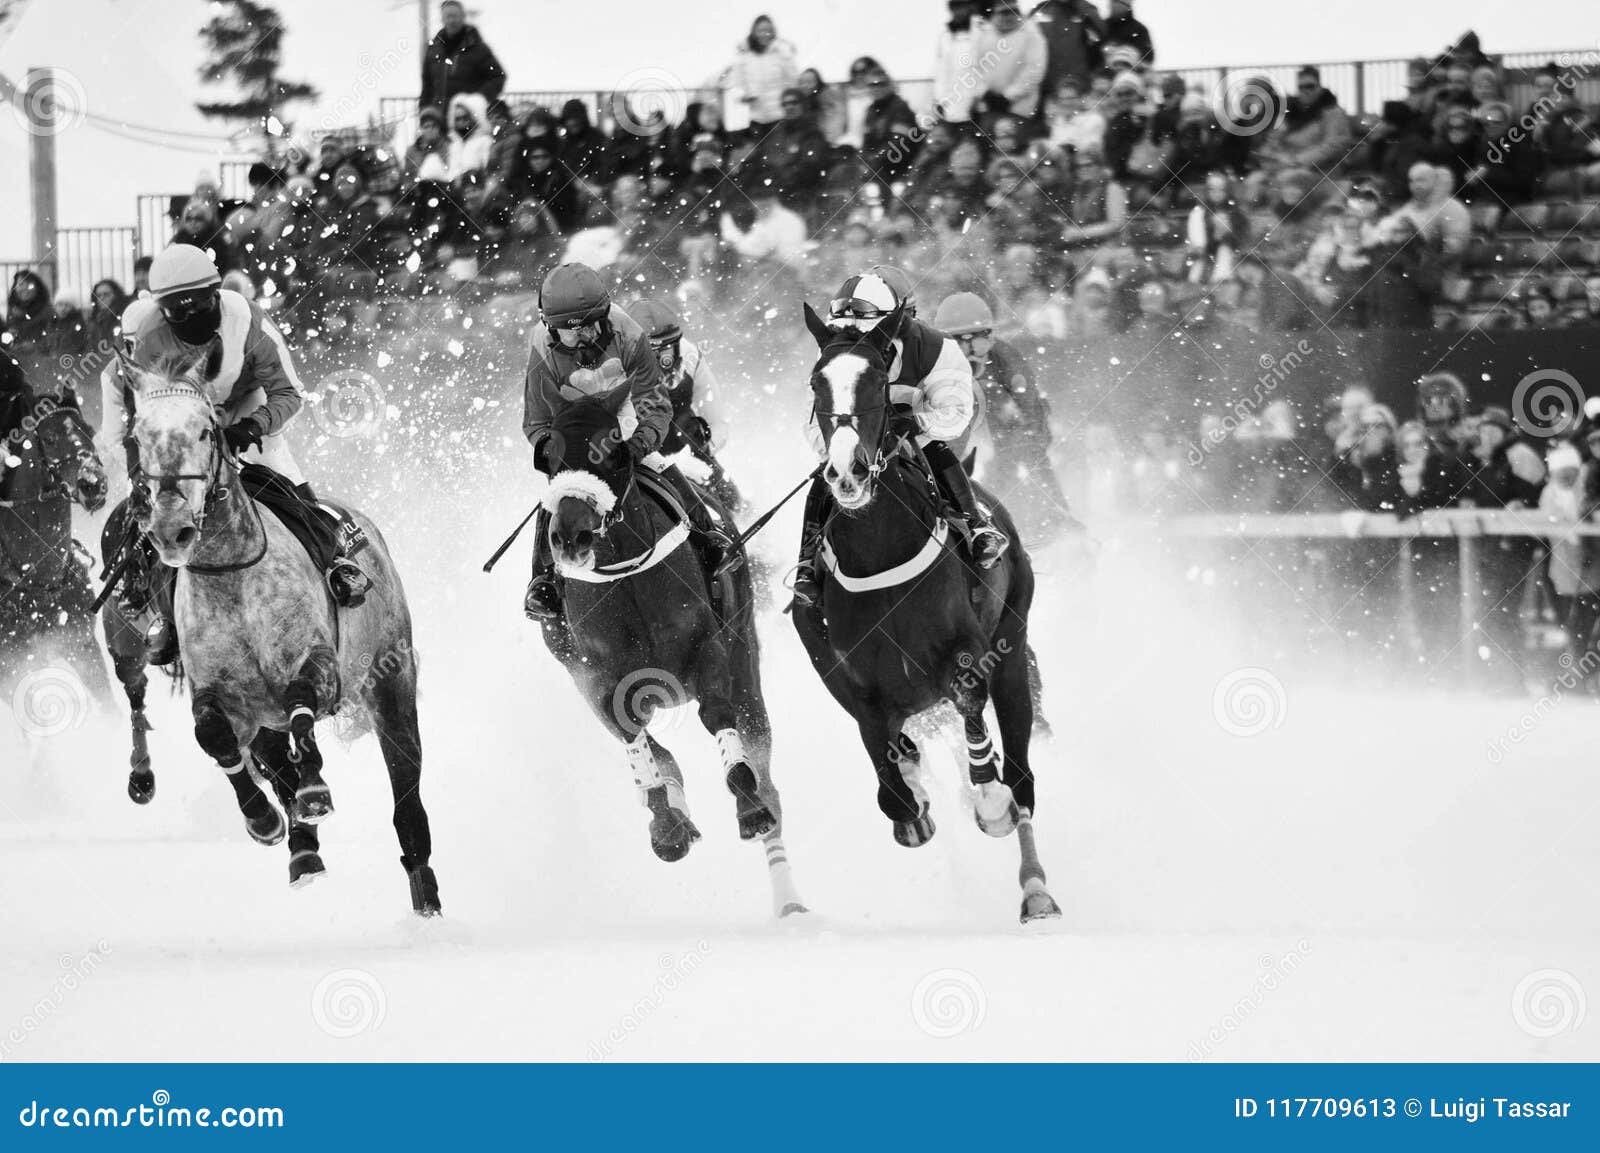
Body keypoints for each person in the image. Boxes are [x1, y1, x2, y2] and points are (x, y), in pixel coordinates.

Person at [107, 245, 372, 663]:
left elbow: (290, 393)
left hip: (244, 409)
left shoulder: (249, 320)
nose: (189, 313)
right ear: (161, 308)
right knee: (159, 509)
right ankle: (158, 608)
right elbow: (146, 412)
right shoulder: (149, 337)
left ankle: (335, 563)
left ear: (216, 290)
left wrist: (253, 427)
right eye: (176, 307)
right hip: (184, 430)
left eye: (197, 301)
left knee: (289, 485)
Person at [521, 264, 737, 621]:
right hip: (573, 435)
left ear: (605, 315)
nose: (585, 336)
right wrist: (556, 453)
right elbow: (536, 421)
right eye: (571, 332)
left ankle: (707, 538)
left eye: (591, 324)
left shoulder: (628, 334)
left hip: (625, 420)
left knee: (662, 467)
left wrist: (635, 447)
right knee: (556, 497)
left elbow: (655, 404)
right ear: (548, 325)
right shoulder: (541, 347)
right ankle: (543, 581)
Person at [791, 272, 1006, 609]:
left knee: (936, 452)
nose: (852, 339)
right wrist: (836, 449)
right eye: (843, 330)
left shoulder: (936, 348)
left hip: (919, 438)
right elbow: (814, 417)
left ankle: (975, 527)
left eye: (863, 331)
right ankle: (806, 562)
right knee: (827, 472)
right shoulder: (835, 354)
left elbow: (956, 413)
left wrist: (915, 422)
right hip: (861, 444)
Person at [933, 291, 1072, 540]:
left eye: (978, 341)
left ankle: (1058, 520)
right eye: (960, 343)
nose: (970, 352)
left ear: (990, 337)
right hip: (954, 449)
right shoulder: (932, 367)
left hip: (1006, 448)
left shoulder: (1008, 361)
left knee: (1032, 465)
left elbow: (1033, 415)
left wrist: (1012, 452)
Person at [624, 298, 741, 511]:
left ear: (678, 345)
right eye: (647, 354)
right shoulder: (613, 366)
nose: (658, 361)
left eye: (664, 353)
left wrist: (704, 446)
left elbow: (718, 420)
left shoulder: (691, 357)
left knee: (731, 498)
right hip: (633, 448)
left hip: (682, 445)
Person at [419, 0, 506, 110]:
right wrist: (424, 111)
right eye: (448, 16)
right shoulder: (433, 50)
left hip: (467, 119)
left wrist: (478, 100)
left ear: (463, 17)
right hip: (439, 119)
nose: (452, 20)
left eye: (455, 16)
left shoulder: (479, 49)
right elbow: (427, 85)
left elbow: (498, 77)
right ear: (442, 19)